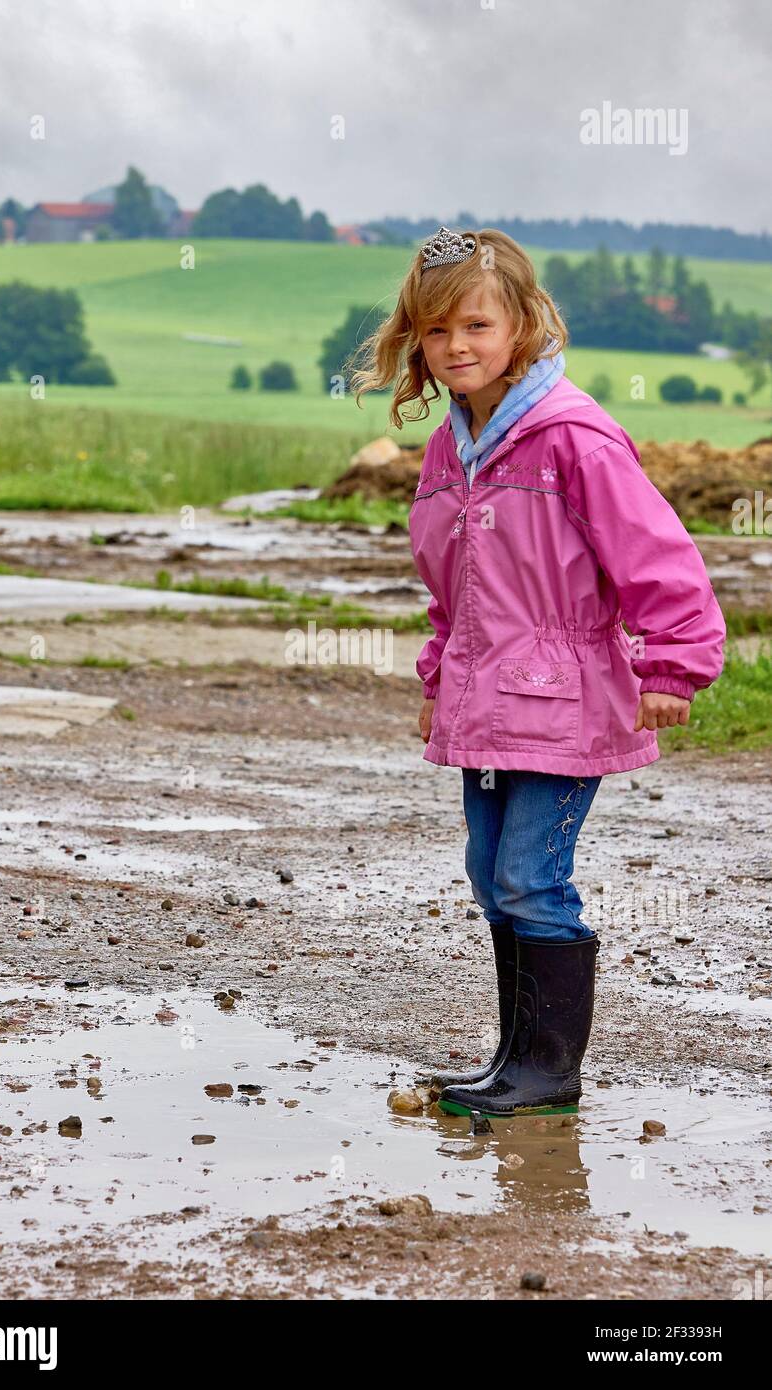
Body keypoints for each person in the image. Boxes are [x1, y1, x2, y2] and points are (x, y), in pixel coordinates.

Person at [349, 226, 727, 1119]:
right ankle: (513, 1062)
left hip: (566, 702)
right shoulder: (452, 450)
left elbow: (659, 559)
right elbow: (456, 590)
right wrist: (438, 676)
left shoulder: (574, 441)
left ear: (522, 325)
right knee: (490, 874)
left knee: (531, 876)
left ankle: (551, 1072)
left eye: (476, 326)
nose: (456, 348)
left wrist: (674, 665)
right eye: (437, 333)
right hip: (484, 703)